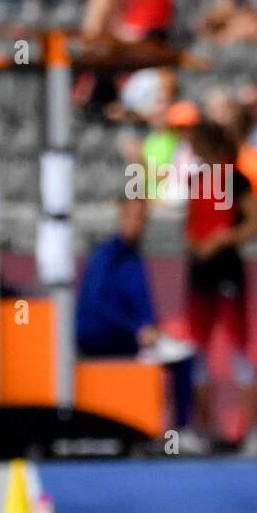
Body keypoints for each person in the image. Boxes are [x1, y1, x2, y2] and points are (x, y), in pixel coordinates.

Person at [76, 192, 202, 451]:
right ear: (122, 217)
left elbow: (142, 307)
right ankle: (164, 430)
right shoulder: (106, 256)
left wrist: (152, 328)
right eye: (133, 217)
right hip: (105, 339)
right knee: (174, 358)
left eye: (142, 218)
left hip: (133, 337)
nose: (138, 224)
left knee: (185, 356)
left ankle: (180, 430)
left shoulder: (135, 259)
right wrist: (136, 330)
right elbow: (96, 303)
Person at [183, 120, 257, 453]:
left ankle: (252, 431)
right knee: (197, 351)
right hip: (199, 273)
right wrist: (195, 242)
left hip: (227, 271)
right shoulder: (196, 179)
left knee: (239, 350)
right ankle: (202, 428)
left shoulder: (236, 178)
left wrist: (223, 239)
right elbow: (191, 224)